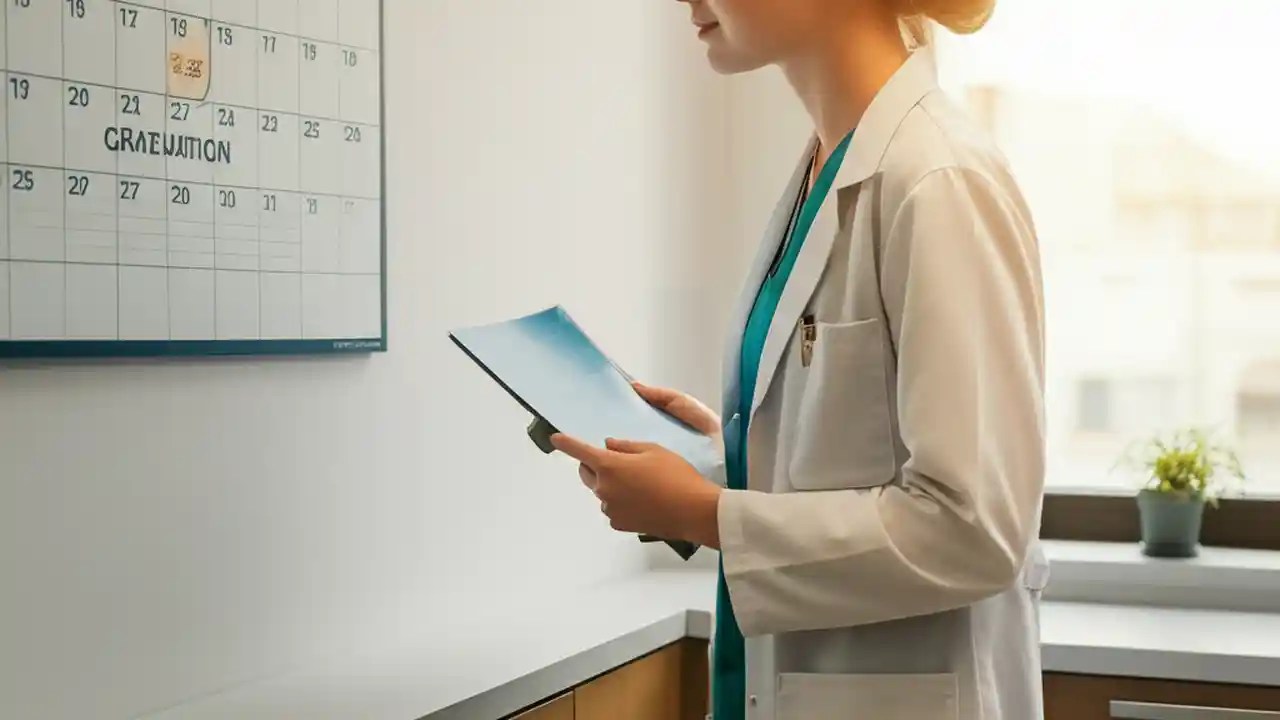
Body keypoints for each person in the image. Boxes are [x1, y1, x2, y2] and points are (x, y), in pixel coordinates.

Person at [550, 0, 1048, 717]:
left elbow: (974, 531)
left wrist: (711, 516)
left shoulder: (938, 180)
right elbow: (856, 455)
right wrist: (720, 464)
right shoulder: (826, 165)